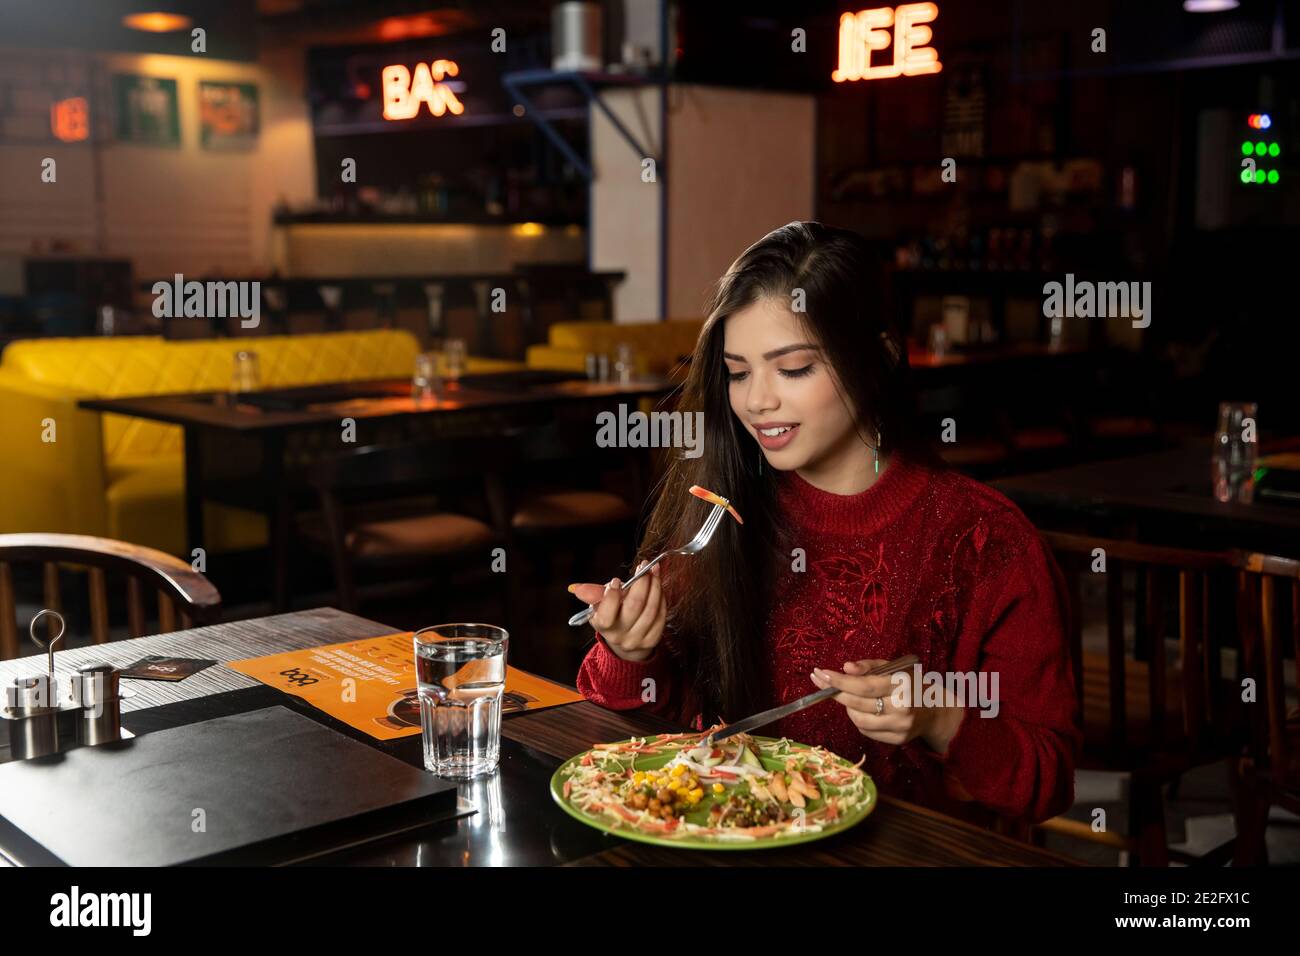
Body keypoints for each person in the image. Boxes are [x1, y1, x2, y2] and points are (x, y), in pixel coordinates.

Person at [571, 221, 1080, 824]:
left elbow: (1049, 783)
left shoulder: (984, 538)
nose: (757, 401)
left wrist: (944, 720)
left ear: (880, 360)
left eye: (792, 369)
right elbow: (629, 745)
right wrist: (629, 652)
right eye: (738, 372)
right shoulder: (721, 506)